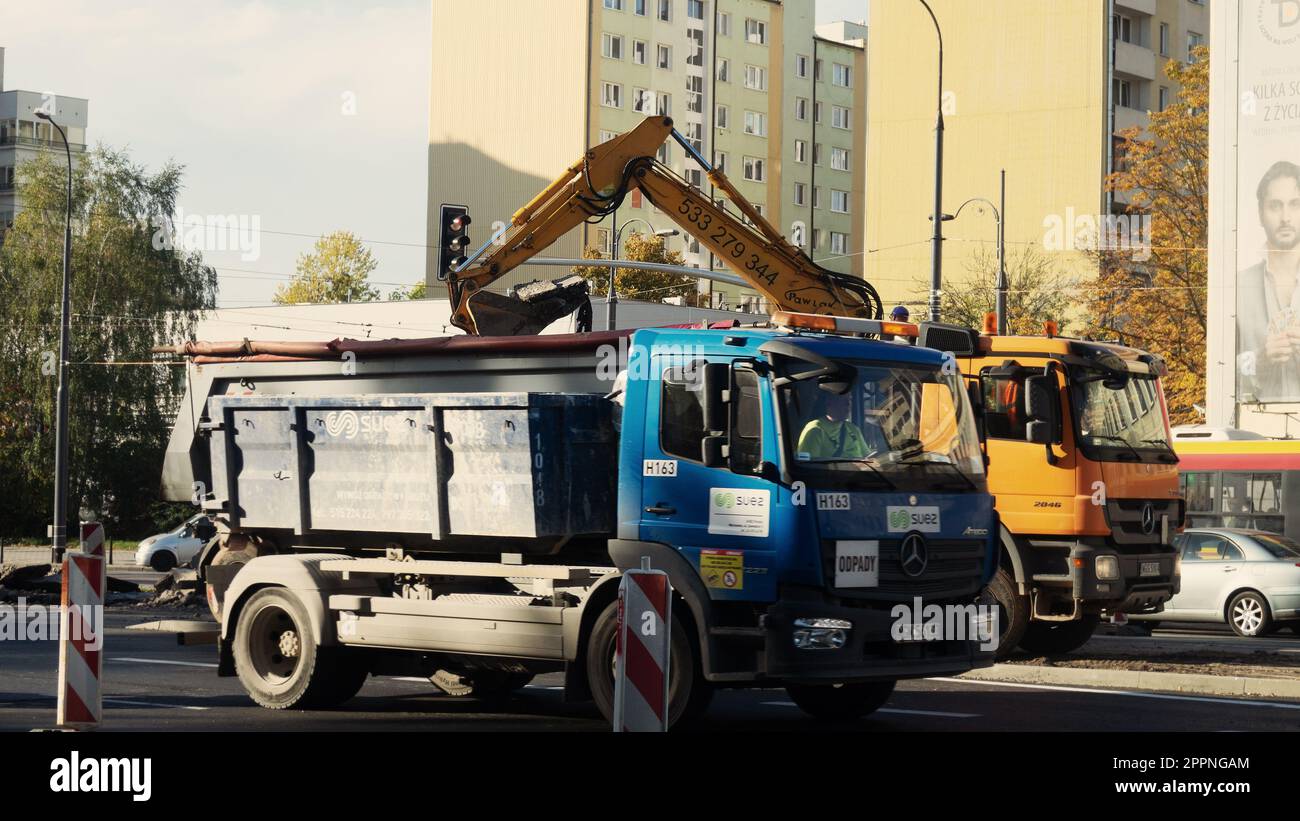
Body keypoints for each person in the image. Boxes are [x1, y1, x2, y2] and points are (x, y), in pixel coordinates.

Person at [1237, 160, 1300, 401]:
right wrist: (1258, 360)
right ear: (1261, 214)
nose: (1285, 217)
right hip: (1257, 430)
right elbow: (1224, 369)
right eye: (1275, 206)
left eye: (1294, 204)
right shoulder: (1239, 287)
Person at [796, 391, 886, 460]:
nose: (848, 404)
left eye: (849, 400)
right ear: (829, 403)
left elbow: (868, 457)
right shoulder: (815, 430)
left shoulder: (853, 429)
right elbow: (809, 468)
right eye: (843, 400)